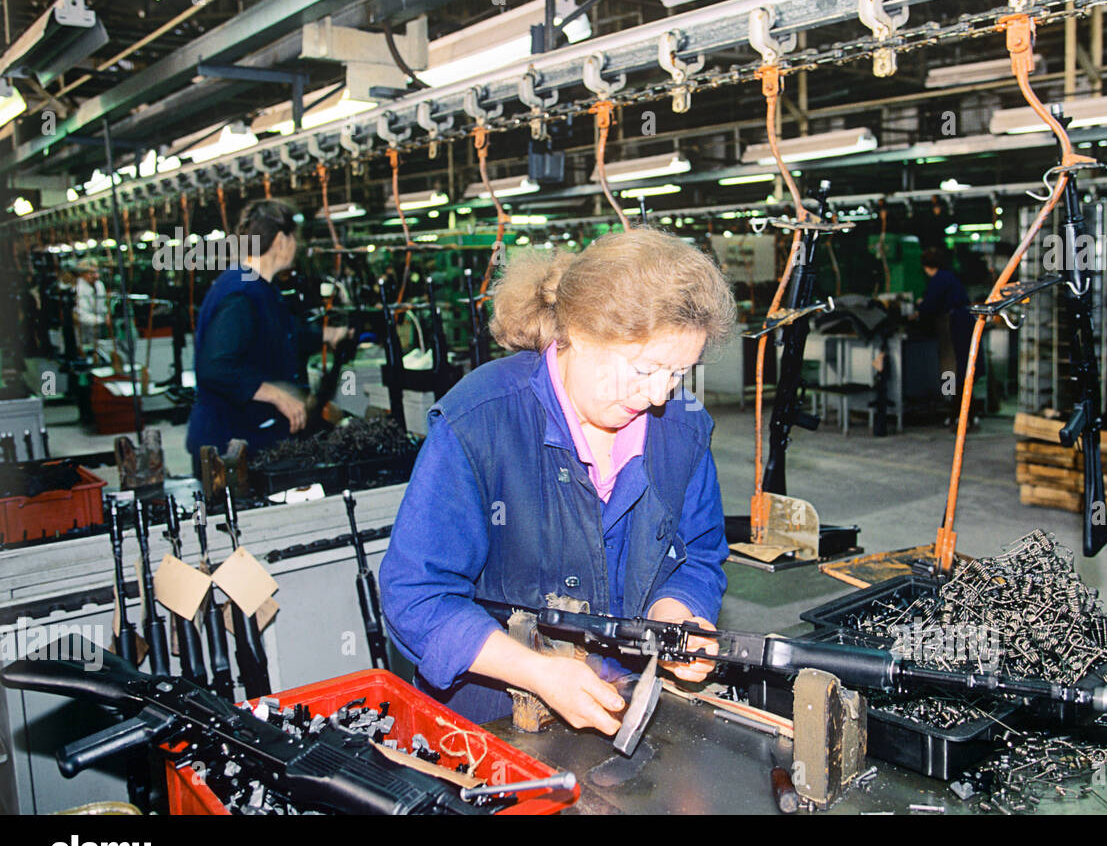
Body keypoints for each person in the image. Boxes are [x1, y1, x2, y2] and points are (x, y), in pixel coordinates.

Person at [379, 227, 737, 733]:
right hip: (491, 720)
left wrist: (676, 616)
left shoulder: (682, 428)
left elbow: (700, 554)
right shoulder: (480, 420)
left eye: (678, 373)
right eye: (643, 370)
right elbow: (416, 595)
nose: (659, 396)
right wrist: (537, 673)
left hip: (632, 701)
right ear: (581, 333)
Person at [185, 200, 349, 471]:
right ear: (281, 240)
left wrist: (326, 334)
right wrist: (277, 394)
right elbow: (214, 367)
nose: (296, 246)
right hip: (229, 449)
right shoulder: (241, 294)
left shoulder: (257, 286)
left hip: (250, 437)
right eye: (294, 238)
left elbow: (274, 333)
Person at [915, 246, 984, 427]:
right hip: (962, 324)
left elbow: (929, 306)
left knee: (951, 370)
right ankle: (963, 412)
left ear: (926, 267)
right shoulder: (949, 277)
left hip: (954, 326)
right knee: (959, 370)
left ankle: (957, 411)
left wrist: (918, 309)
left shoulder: (939, 280)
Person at [72, 259, 109, 357]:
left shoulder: (99, 285)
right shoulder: (78, 288)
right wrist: (101, 320)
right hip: (84, 330)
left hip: (98, 328)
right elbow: (82, 315)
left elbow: (103, 304)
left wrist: (106, 314)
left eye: (96, 272)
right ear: (82, 274)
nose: (96, 276)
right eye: (91, 273)